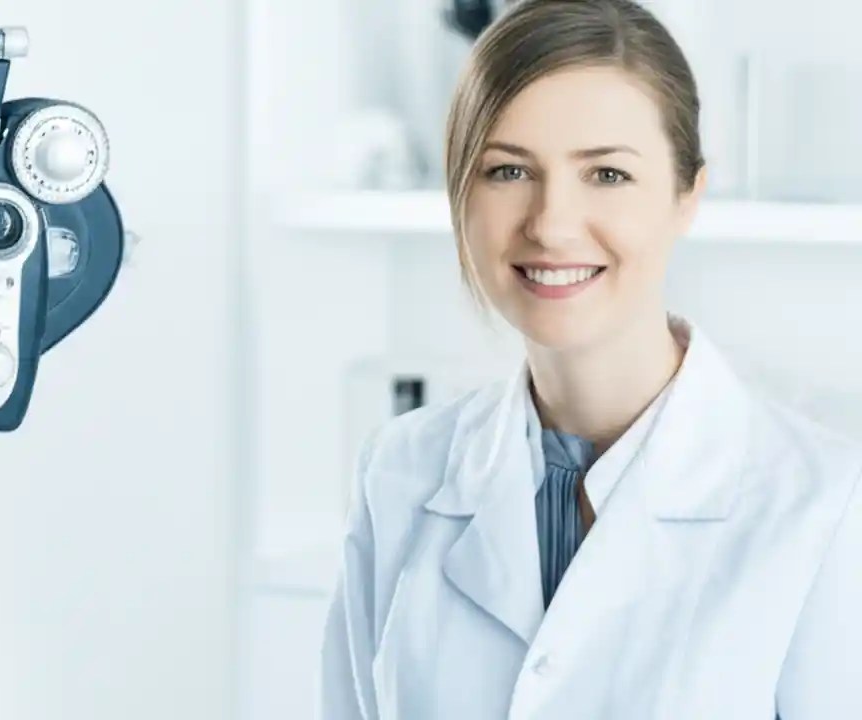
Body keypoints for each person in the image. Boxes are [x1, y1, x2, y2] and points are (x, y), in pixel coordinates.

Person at [318, 0, 862, 718]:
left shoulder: (825, 502)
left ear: (685, 196)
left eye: (606, 175)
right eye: (508, 172)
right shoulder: (400, 472)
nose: (551, 224)